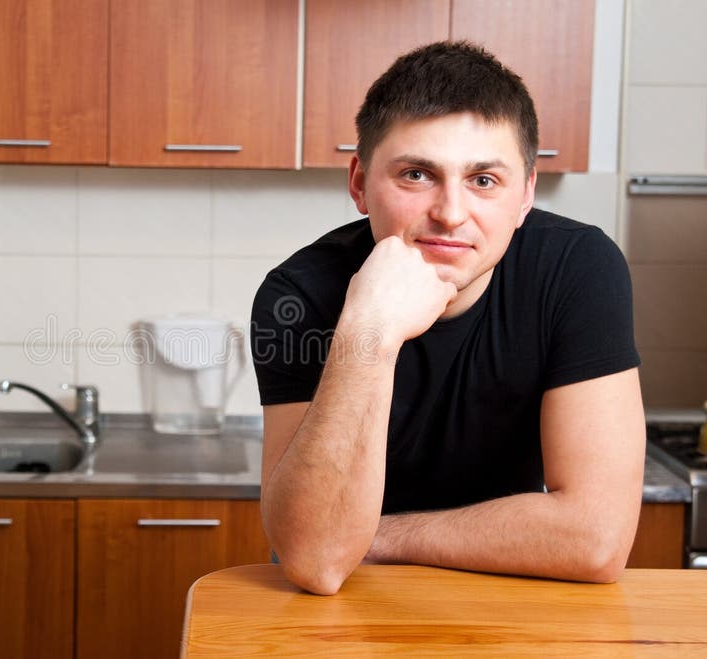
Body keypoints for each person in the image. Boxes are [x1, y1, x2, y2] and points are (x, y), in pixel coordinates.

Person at [251, 41, 645, 596]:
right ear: (360, 183)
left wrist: (372, 538)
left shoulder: (578, 268)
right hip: (348, 606)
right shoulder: (298, 295)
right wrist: (370, 331)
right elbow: (316, 560)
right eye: (416, 175)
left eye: (484, 180)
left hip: (513, 592)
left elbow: (595, 540)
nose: (451, 214)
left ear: (526, 194)